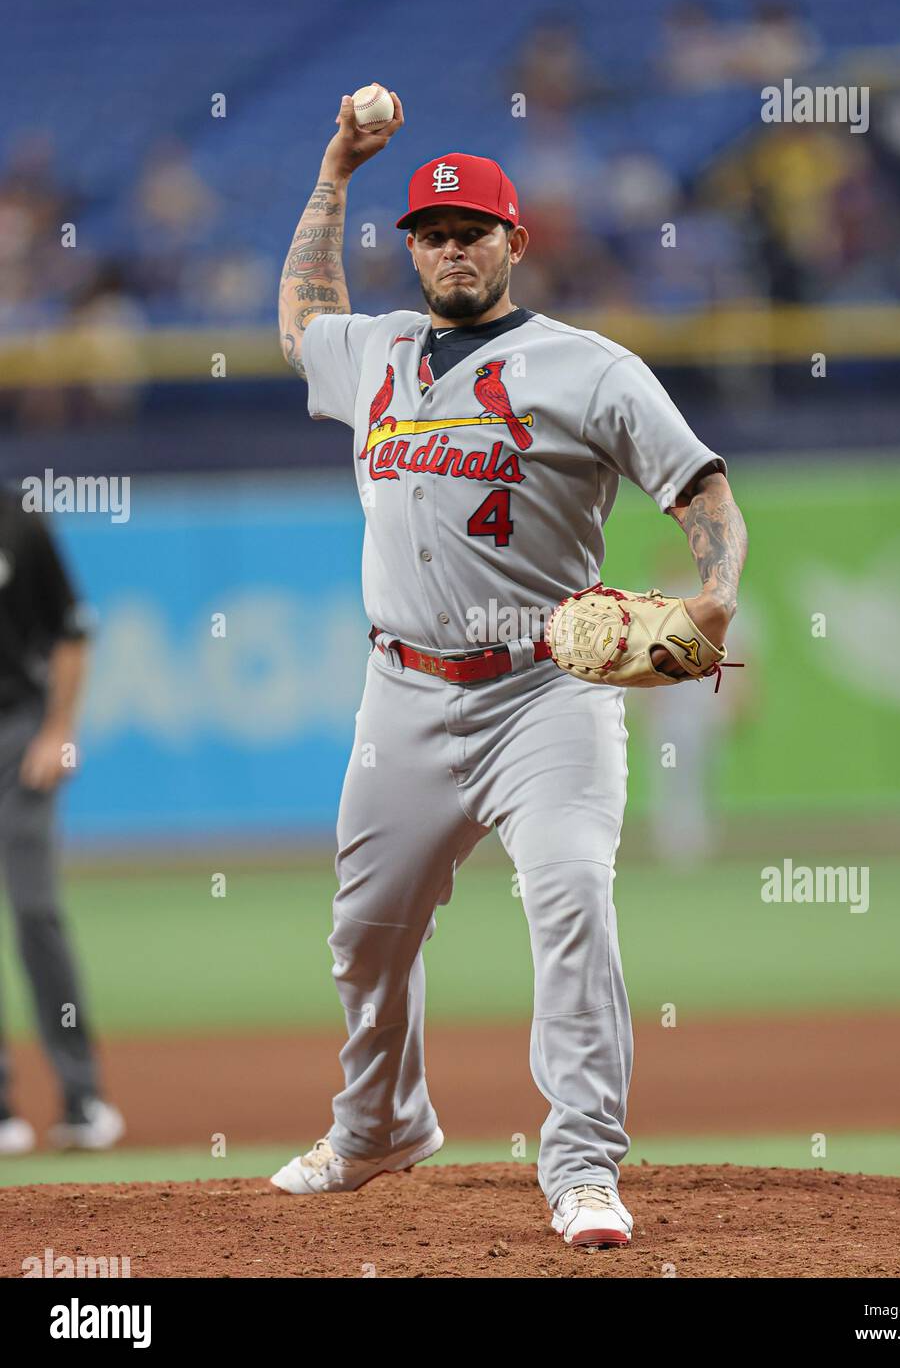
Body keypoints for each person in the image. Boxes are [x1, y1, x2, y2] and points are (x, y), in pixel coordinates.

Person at [270, 92, 747, 1248]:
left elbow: (701, 493)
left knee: (572, 898)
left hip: (546, 688)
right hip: (403, 691)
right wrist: (335, 171)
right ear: (413, 246)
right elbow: (297, 318)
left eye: (470, 229)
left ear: (512, 242)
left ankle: (582, 1164)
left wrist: (714, 592)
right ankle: (379, 1123)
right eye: (429, 231)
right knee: (365, 934)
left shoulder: (588, 369)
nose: (448, 246)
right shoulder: (372, 350)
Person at [0, 487, 124, 1154]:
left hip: (18, 736)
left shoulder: (18, 522)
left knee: (34, 910)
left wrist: (59, 730)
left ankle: (82, 1096)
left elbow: (71, 629)